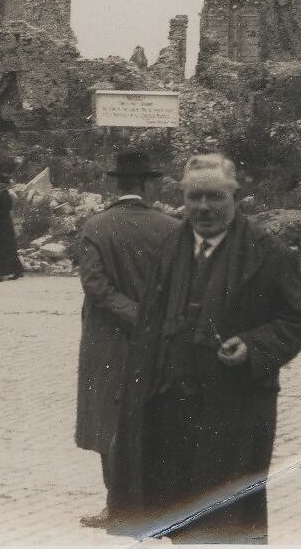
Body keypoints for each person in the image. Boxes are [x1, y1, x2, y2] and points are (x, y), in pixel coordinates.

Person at [108, 154, 301, 543]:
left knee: (225, 520)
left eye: (215, 197)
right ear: (183, 199)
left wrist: (254, 345)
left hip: (231, 408)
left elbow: (297, 322)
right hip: (168, 405)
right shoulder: (169, 245)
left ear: (235, 196)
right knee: (171, 510)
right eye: (194, 197)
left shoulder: (269, 252)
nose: (203, 208)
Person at [75, 148, 179, 528]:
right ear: (147, 184)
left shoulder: (95, 227)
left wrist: (134, 315)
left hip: (107, 341)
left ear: (116, 184)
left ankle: (115, 504)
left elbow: (95, 287)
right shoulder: (171, 228)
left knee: (107, 421)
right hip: (158, 341)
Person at [0, 158, 26, 280]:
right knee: (9, 248)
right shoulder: (5, 193)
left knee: (2, 248)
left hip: (3, 224)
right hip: (5, 224)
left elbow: (3, 210)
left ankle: (0, 274)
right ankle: (16, 271)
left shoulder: (4, 194)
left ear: (1, 184)